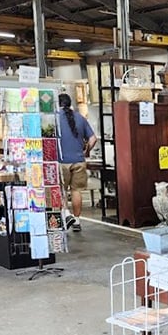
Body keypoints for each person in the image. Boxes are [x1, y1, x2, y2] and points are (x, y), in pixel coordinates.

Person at [57, 93, 97, 232]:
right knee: (76, 191)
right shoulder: (80, 117)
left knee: (61, 190)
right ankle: (77, 221)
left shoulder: (54, 119)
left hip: (61, 161)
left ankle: (66, 214)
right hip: (79, 161)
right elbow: (93, 139)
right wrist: (86, 151)